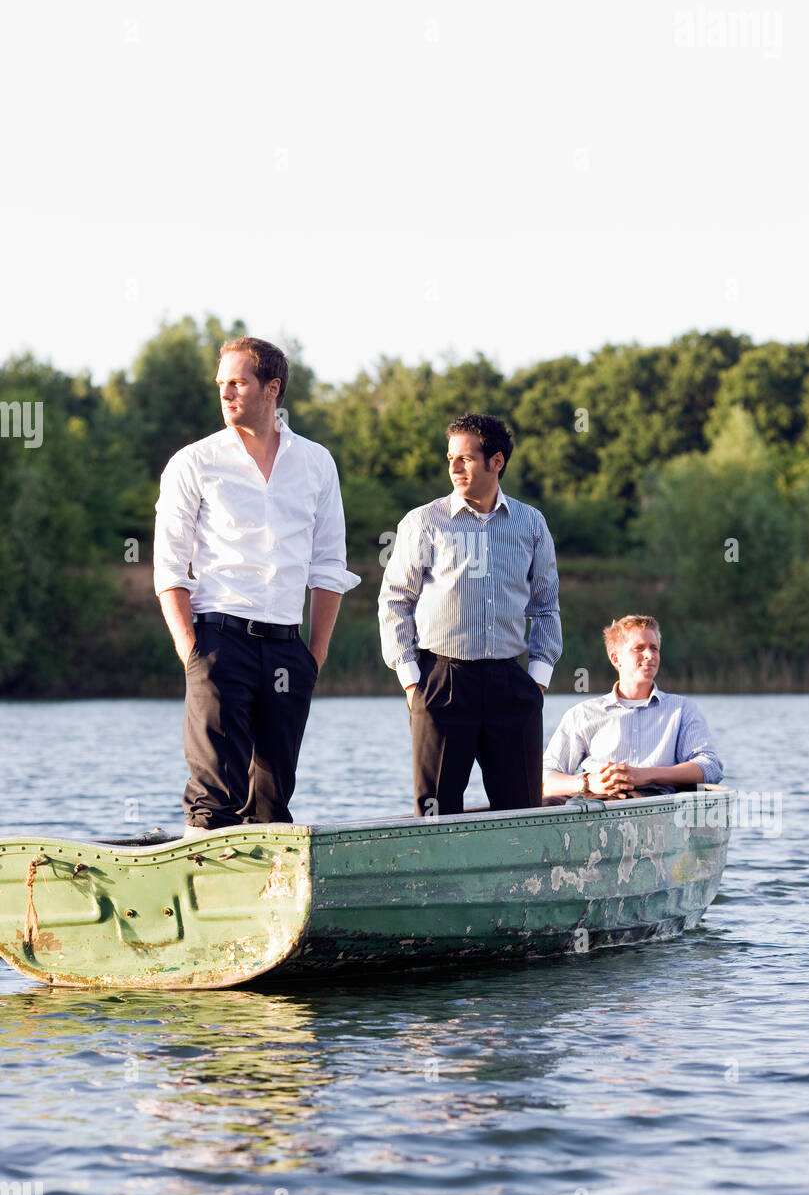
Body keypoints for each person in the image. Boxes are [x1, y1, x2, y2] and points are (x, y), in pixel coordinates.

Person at [153, 335, 359, 831]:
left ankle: (268, 903)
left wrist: (315, 655)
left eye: (237, 383)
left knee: (271, 802)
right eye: (221, 384)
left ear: (273, 388)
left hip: (288, 649)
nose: (225, 394)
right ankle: (201, 894)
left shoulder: (316, 463)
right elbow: (169, 568)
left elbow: (329, 564)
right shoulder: (193, 462)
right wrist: (192, 652)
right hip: (218, 642)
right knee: (213, 798)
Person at [378, 412, 562, 817]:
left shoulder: (531, 524)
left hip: (511, 687)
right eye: (450, 459)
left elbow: (546, 606)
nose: (454, 468)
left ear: (496, 462)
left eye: (465, 459)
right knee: (435, 816)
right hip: (441, 684)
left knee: (523, 814)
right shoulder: (423, 522)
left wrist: (537, 685)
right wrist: (413, 685)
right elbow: (395, 601)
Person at [542, 615, 722, 800]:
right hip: (596, 802)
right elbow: (546, 777)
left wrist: (647, 774)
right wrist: (587, 782)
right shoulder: (583, 714)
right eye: (639, 648)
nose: (650, 655)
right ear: (615, 659)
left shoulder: (682, 709)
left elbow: (710, 767)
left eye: (654, 648)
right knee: (545, 801)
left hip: (657, 803)